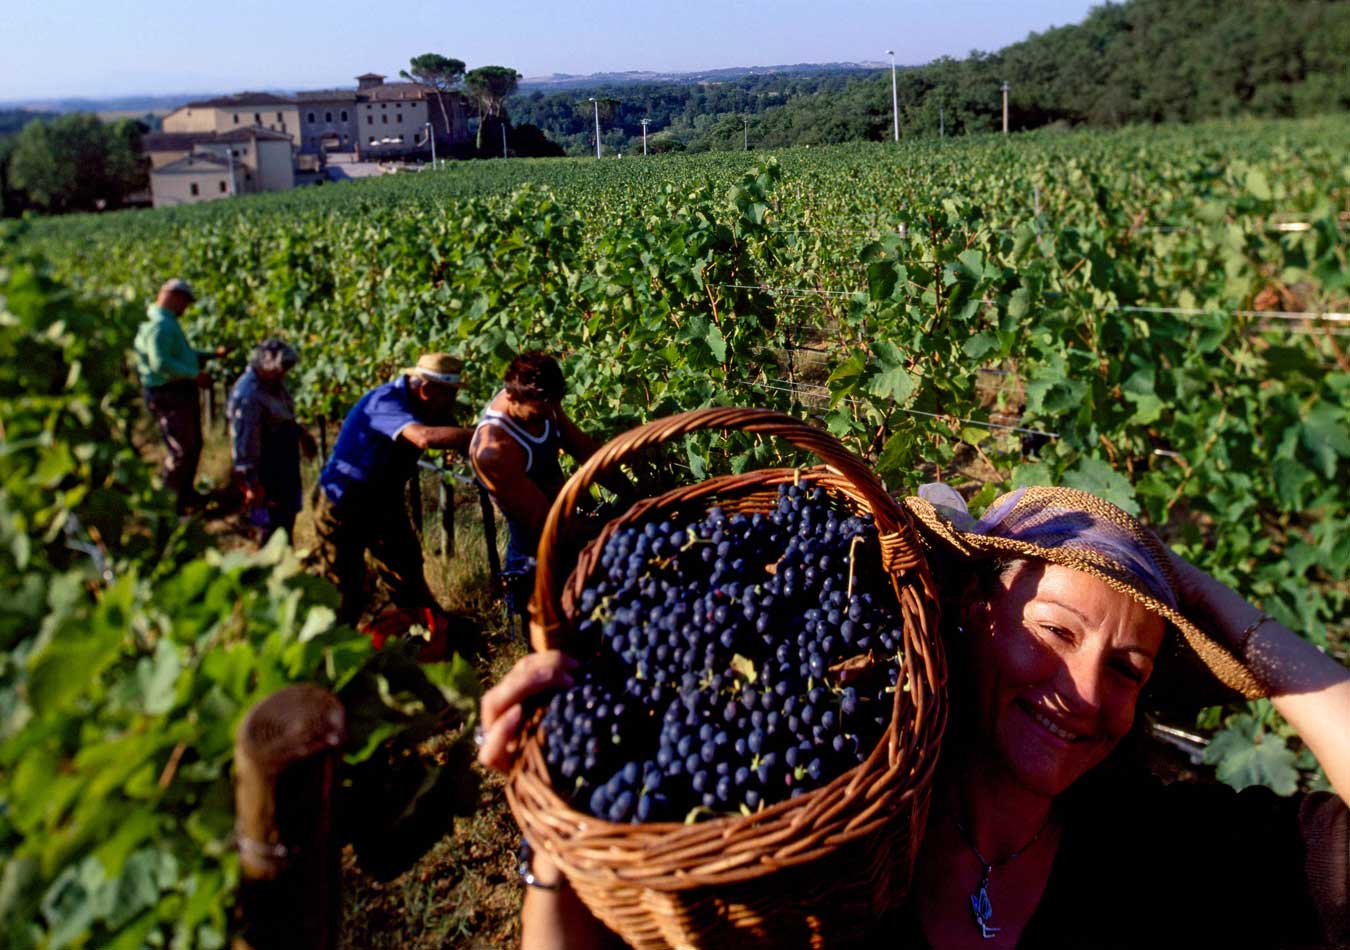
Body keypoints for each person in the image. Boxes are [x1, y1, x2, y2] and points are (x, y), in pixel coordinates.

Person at [477, 485, 1350, 949]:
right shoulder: (833, 835)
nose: (1085, 691)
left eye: (1128, 668)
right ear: (974, 612)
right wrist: (557, 828)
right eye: (1055, 632)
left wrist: (1219, 612)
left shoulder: (1156, 850)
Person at [310, 353, 472, 625]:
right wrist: (485, 434)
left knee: (406, 568)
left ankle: (426, 632)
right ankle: (331, 652)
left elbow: (455, 437)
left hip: (383, 501)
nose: (453, 402)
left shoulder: (429, 406)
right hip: (343, 502)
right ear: (427, 389)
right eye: (450, 395)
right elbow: (423, 438)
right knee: (343, 585)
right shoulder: (385, 401)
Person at [470, 351, 629, 618]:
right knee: (546, 627)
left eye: (551, 408)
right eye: (538, 413)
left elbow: (585, 451)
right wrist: (608, 524)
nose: (547, 417)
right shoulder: (495, 451)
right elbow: (546, 522)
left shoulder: (542, 404)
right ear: (511, 397)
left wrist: (632, 494)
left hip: (568, 527)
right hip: (536, 550)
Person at [132, 277, 227, 512]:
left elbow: (178, 355)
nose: (186, 309)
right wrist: (195, 375)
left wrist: (211, 355)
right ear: (173, 297)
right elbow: (160, 363)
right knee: (182, 449)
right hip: (170, 394)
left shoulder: (163, 321)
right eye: (185, 303)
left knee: (191, 445)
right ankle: (168, 506)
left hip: (174, 391)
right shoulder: (160, 325)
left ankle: (185, 497)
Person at [227, 338, 315, 543]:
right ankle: (266, 567)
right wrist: (252, 483)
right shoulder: (249, 395)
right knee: (269, 524)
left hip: (283, 467)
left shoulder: (273, 384)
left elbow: (284, 417)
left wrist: (302, 434)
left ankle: (283, 563)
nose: (283, 374)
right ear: (264, 364)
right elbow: (245, 442)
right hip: (267, 471)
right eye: (280, 368)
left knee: (286, 519)